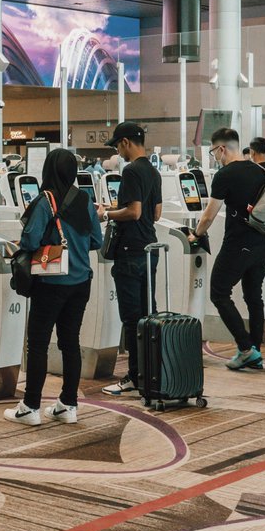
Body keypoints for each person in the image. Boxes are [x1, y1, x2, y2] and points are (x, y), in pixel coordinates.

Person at [4, 149, 103, 426]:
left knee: (37, 344)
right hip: (81, 281)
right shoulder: (85, 199)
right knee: (70, 343)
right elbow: (96, 240)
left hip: (51, 282)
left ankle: (31, 406)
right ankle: (68, 405)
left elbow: (30, 241)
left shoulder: (45, 201)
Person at [190, 127, 265, 371]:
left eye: (213, 151)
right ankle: (255, 351)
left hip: (238, 244)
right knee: (253, 297)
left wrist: (196, 234)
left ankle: (246, 349)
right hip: (261, 244)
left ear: (222, 148)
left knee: (219, 292)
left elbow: (208, 216)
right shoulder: (260, 170)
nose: (214, 156)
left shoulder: (224, 175)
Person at [96, 122, 163, 398]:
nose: (117, 151)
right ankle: (151, 373)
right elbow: (154, 213)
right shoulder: (153, 171)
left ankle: (135, 376)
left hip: (130, 252)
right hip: (150, 247)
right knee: (148, 316)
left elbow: (133, 212)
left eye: (116, 145)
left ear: (125, 142)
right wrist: (119, 209)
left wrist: (106, 214)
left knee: (131, 319)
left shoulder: (131, 170)